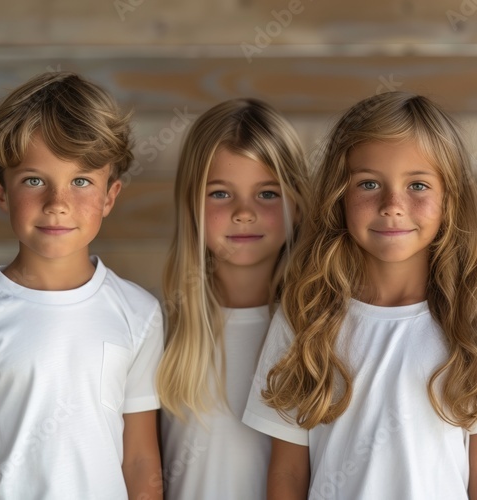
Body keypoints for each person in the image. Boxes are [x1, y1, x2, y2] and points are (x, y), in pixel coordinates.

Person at [243, 91, 477, 499]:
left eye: (417, 185)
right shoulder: (305, 317)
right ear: (339, 196)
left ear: (449, 200)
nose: (393, 205)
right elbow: (288, 473)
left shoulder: (475, 319)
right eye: (369, 184)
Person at [0, 72, 163, 499]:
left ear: (109, 195)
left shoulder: (139, 313)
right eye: (33, 180)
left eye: (81, 181)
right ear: (1, 192)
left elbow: (140, 460)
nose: (57, 203)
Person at [157, 98, 310, 499]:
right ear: (191, 204)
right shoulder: (161, 330)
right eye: (221, 194)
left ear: (298, 202)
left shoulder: (318, 332)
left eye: (268, 194)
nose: (244, 213)